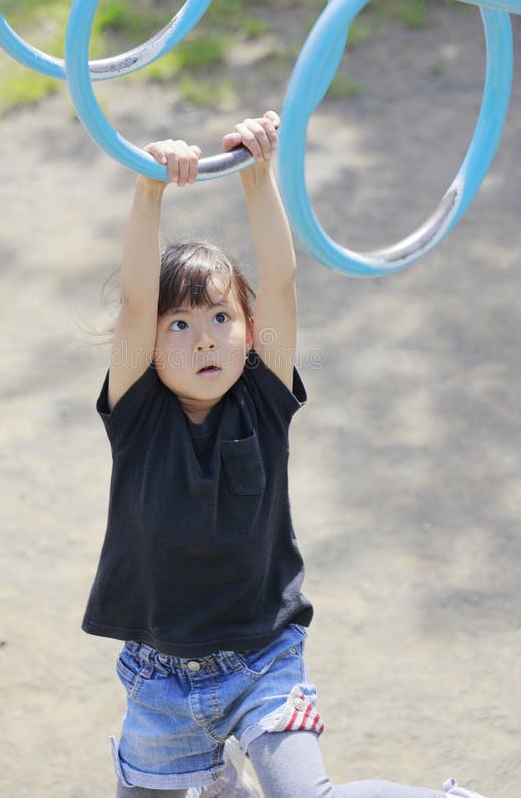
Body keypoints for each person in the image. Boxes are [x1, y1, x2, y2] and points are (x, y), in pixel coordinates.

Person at [83, 112, 486, 798]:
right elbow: (134, 298)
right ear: (148, 347)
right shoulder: (139, 416)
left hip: (263, 659)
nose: (205, 340)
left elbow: (279, 283)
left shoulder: (262, 400)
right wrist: (150, 190)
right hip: (160, 680)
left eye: (220, 318)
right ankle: (213, 784)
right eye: (178, 324)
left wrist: (259, 175)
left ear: (248, 333)